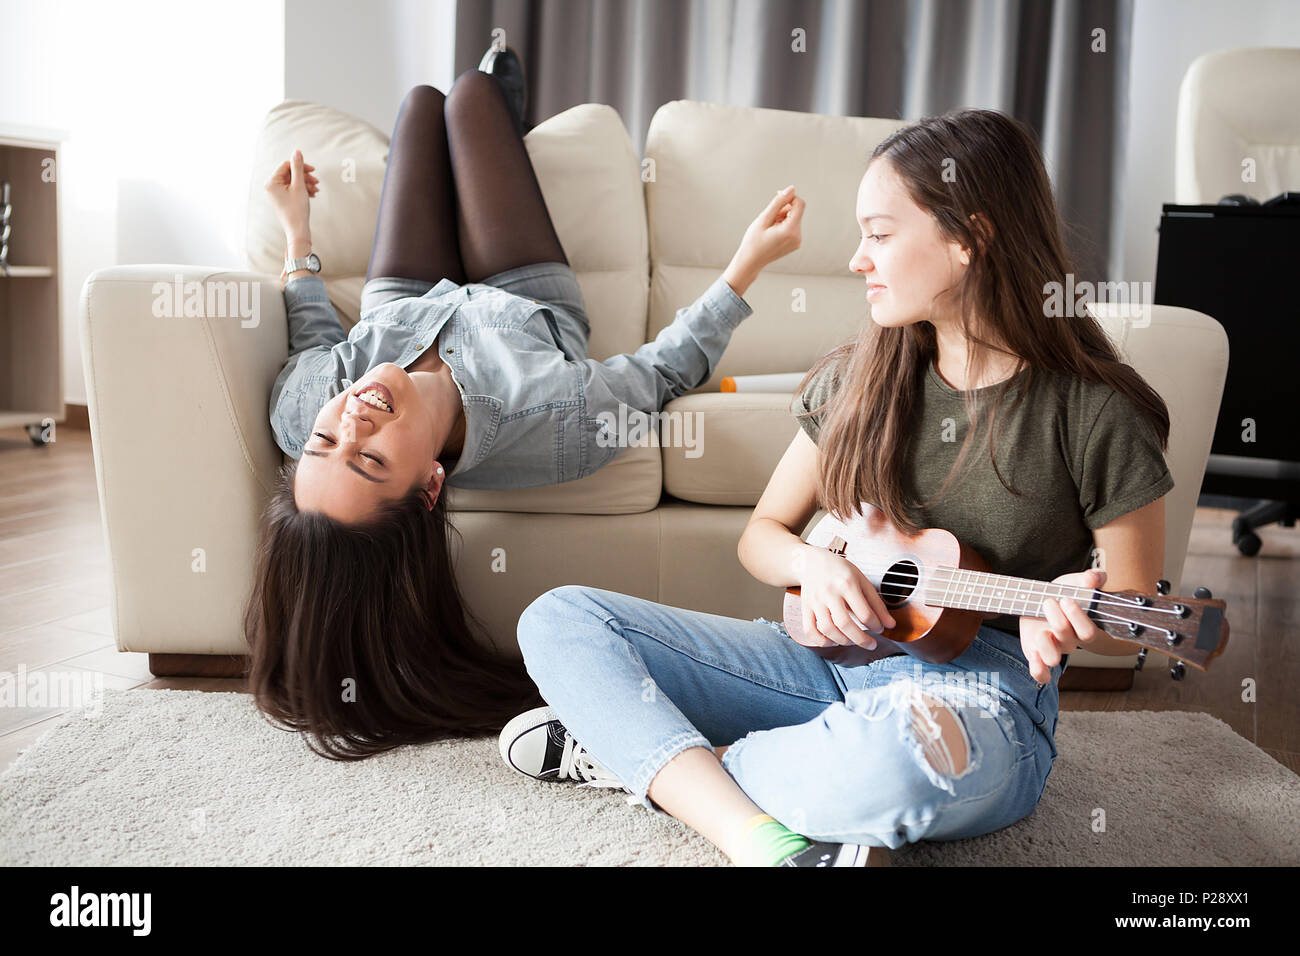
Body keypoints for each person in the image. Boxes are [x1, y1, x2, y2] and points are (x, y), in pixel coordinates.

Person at [501, 107, 1174, 866]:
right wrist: (813, 565)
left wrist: (1076, 615)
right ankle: (758, 832)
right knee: (560, 620)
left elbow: (1135, 615)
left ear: (969, 239)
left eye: (880, 235)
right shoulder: (862, 377)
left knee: (896, 769)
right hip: (823, 667)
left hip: (981, 699)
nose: (857, 260)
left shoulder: (1096, 412)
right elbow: (764, 536)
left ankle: (671, 765)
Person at [244, 64, 805, 759]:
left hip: (401, 302)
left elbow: (313, 337)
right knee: (472, 97)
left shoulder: (301, 411)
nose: (351, 419)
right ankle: (501, 90)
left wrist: (296, 231)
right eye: (369, 458)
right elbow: (659, 372)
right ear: (430, 487)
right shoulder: (560, 423)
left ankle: (477, 101)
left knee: (420, 103)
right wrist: (746, 266)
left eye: (327, 441)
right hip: (522, 297)